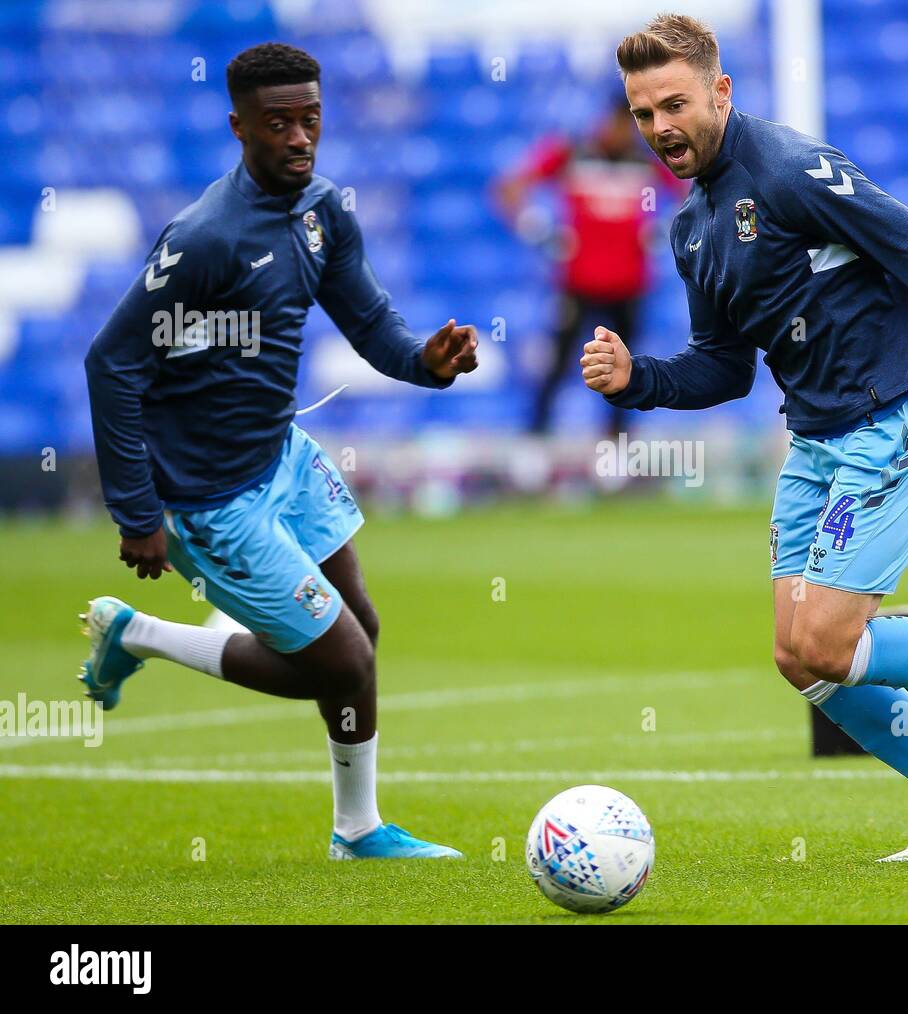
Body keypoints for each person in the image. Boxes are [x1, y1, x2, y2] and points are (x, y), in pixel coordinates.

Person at [582, 15, 908, 861]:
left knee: (826, 642)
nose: (661, 127)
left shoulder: (789, 170)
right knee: (799, 657)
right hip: (814, 443)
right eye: (642, 113)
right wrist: (640, 381)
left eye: (675, 103)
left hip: (888, 424)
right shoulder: (691, 228)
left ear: (720, 91)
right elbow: (723, 368)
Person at [79, 43, 478, 861]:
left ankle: (355, 830)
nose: (300, 138)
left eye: (311, 120)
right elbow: (110, 363)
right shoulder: (205, 238)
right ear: (239, 128)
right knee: (343, 663)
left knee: (360, 628)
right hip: (210, 496)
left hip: (281, 457)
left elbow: (370, 324)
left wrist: (426, 364)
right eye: (278, 124)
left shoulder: (323, 210)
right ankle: (142, 636)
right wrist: (137, 512)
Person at [495, 95, 680, 435]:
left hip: (629, 286)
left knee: (624, 372)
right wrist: (539, 231)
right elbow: (509, 188)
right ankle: (536, 445)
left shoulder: (646, 161)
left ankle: (616, 454)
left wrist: (664, 231)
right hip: (578, 284)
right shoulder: (573, 153)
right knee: (559, 366)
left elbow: (693, 196)